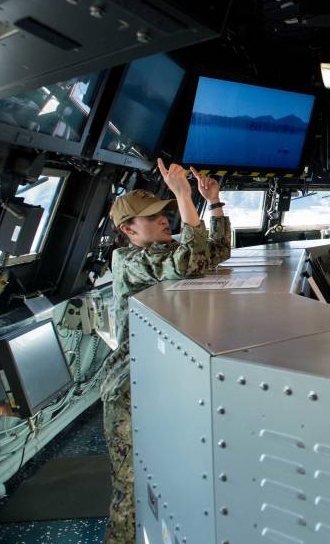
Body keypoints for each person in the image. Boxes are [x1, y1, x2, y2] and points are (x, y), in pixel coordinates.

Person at [103, 159, 231, 544]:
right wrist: (181, 196)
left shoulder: (164, 250)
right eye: (153, 217)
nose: (164, 220)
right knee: (130, 485)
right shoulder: (130, 262)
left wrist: (216, 203)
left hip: (159, 376)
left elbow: (214, 253)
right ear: (128, 229)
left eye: (165, 213)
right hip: (129, 386)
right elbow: (188, 263)